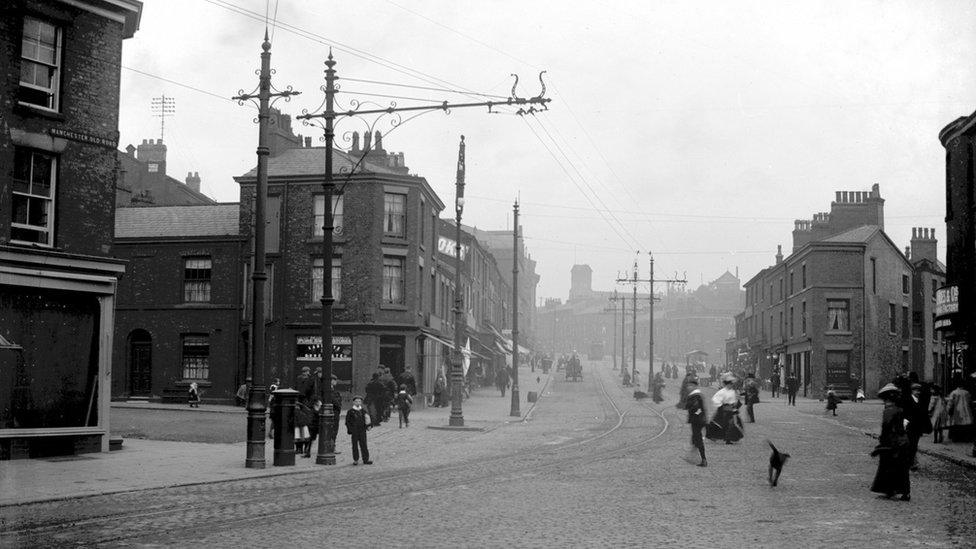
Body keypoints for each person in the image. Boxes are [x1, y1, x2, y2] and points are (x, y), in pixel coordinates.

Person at [870, 383, 911, 501]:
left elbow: (886, 427)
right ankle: (904, 492)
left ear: (887, 399)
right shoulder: (899, 409)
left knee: (888, 466)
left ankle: (889, 490)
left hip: (892, 441)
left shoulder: (888, 411)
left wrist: (881, 443)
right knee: (901, 468)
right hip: (902, 440)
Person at [708, 373, 743, 444]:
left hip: (731, 410)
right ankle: (715, 436)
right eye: (730, 384)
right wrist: (720, 405)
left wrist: (735, 406)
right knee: (720, 424)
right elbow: (715, 399)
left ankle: (728, 439)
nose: (731, 385)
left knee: (730, 425)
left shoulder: (732, 391)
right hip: (723, 411)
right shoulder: (722, 392)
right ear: (727, 384)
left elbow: (734, 400)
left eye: (731, 384)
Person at [905, 382, 931, 471]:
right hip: (909, 427)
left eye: (919, 391)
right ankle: (911, 463)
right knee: (911, 445)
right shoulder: (907, 400)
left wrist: (926, 426)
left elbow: (924, 414)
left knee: (914, 445)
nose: (918, 392)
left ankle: (911, 461)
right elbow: (904, 413)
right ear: (912, 391)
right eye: (916, 391)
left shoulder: (921, 401)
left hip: (918, 428)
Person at [684, 378, 707, 467]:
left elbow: (698, 408)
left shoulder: (695, 396)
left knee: (698, 439)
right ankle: (693, 456)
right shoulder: (696, 395)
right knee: (695, 438)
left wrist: (696, 415)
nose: (688, 387)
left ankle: (703, 460)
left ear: (694, 386)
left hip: (697, 421)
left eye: (690, 386)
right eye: (688, 386)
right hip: (698, 420)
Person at [345, 395, 372, 465]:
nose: (358, 403)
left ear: (361, 402)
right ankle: (356, 459)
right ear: (353, 402)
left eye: (359, 401)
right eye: (356, 401)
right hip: (354, 431)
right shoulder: (350, 411)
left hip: (362, 430)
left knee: (364, 445)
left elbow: (367, 419)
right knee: (354, 446)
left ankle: (365, 459)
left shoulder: (363, 411)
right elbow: (347, 422)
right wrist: (350, 429)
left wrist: (368, 426)